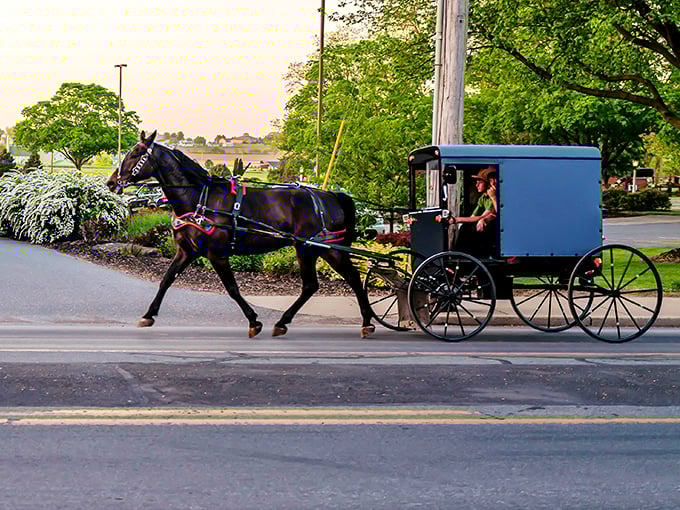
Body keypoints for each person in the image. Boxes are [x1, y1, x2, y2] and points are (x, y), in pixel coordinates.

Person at [449, 166, 497, 255]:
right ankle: (458, 254)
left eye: (480, 182)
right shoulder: (483, 198)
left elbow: (484, 216)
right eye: (476, 182)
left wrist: (457, 219)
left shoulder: (493, 197)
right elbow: (473, 217)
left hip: (493, 230)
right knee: (465, 228)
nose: (476, 185)